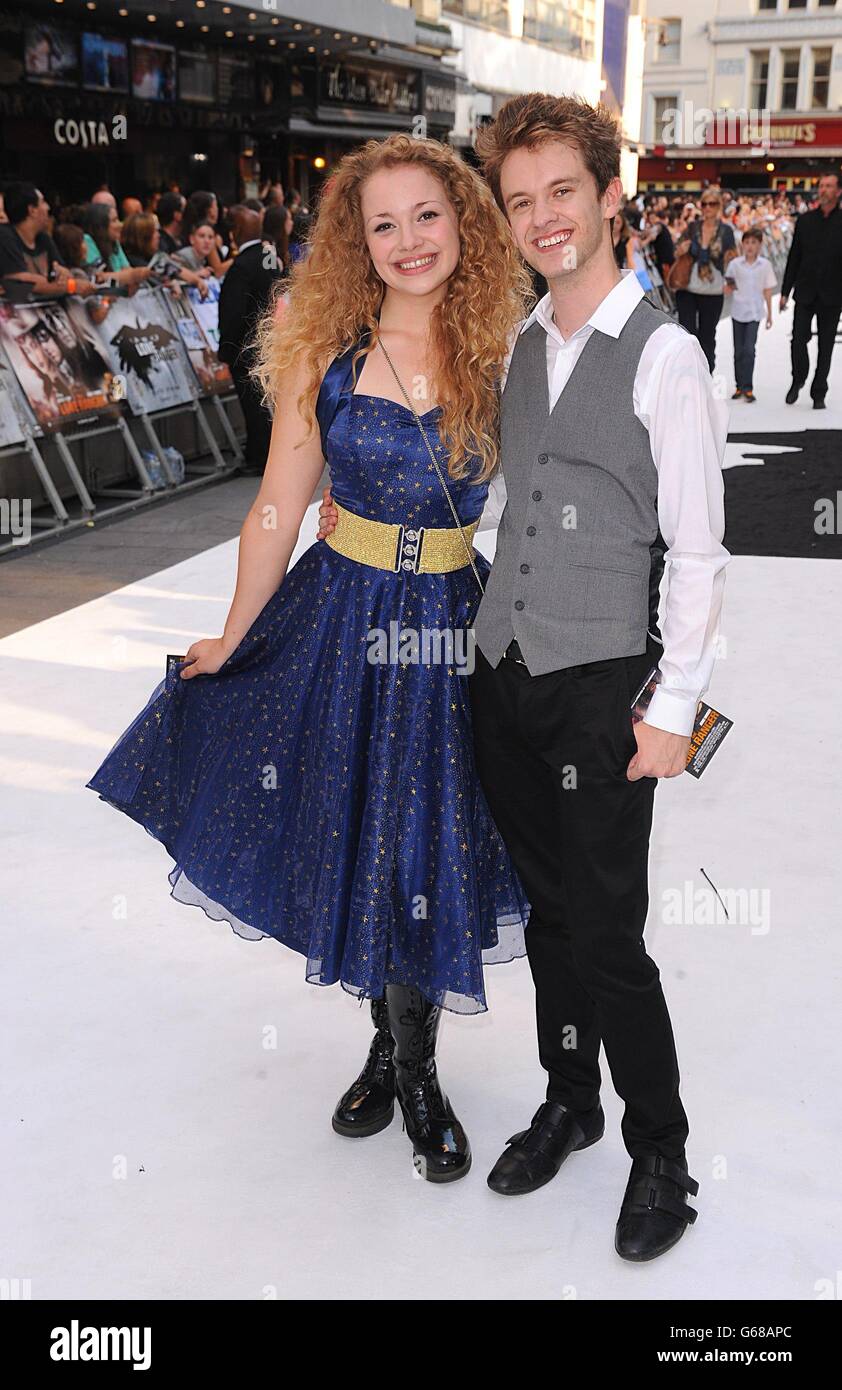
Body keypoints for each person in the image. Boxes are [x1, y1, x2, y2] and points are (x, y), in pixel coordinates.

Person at [319, 95, 730, 1261]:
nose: (544, 218)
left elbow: (697, 550)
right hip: (503, 674)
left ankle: (661, 1153)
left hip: (606, 688)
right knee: (549, 916)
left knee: (608, 932)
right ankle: (570, 1097)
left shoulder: (668, 359)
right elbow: (497, 496)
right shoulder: (522, 343)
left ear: (610, 197)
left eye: (564, 193)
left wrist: (672, 707)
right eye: (520, 201)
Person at [86, 134, 532, 1185]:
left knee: (426, 837)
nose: (408, 240)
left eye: (427, 214)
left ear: (463, 220)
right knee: (362, 825)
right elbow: (277, 506)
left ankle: (412, 1069)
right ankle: (389, 1045)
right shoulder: (325, 358)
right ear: (354, 241)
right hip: (340, 619)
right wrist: (236, 632)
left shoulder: (508, 350)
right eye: (382, 223)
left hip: (450, 629)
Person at [217, 205, 281, 475]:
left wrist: (226, 348)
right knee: (266, 401)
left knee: (253, 402)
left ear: (236, 232)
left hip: (246, 345)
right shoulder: (268, 255)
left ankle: (258, 456)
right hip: (269, 338)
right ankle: (265, 451)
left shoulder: (241, 266)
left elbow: (233, 312)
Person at [780, 170, 842, 409]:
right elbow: (794, 257)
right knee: (798, 339)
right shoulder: (805, 221)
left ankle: (819, 392)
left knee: (825, 346)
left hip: (833, 295)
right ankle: (798, 379)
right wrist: (785, 291)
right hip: (805, 292)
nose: (823, 190)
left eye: (828, 186)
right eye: (821, 185)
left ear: (837, 191)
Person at [673, 186, 737, 372]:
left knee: (708, 336)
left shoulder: (726, 231)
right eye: (704, 204)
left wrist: (731, 282)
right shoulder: (693, 228)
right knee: (687, 334)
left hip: (713, 289)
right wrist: (682, 249)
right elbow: (676, 250)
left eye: (712, 204)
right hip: (688, 288)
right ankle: (688, 374)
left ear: (719, 206)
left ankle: (706, 376)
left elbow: (732, 259)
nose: (708, 207)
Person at [0, 183, 83, 299]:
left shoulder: (43, 238)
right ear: (32, 210)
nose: (48, 207)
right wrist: (72, 286)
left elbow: (65, 275)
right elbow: (19, 280)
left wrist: (63, 277)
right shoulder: (4, 236)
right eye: (43, 202)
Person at [724, 226, 776, 402]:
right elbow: (728, 288)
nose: (750, 246)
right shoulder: (735, 264)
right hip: (738, 311)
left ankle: (748, 387)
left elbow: (767, 289)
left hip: (755, 312)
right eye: (746, 242)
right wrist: (728, 285)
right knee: (738, 351)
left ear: (760, 245)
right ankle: (739, 385)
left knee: (749, 350)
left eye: (753, 242)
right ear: (742, 244)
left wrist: (770, 313)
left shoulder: (765, 265)